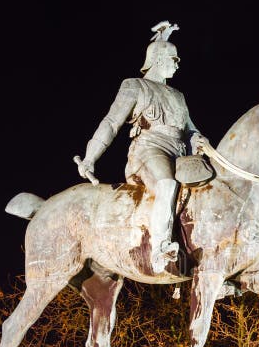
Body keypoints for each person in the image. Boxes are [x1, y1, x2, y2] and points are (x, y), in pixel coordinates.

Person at [74, 21, 209, 273]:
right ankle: (160, 251)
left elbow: (190, 129)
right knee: (166, 184)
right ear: (157, 59)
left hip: (180, 154)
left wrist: (199, 139)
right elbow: (111, 123)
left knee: (208, 189)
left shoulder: (178, 96)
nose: (178, 64)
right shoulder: (135, 86)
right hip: (149, 149)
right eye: (174, 58)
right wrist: (91, 156)